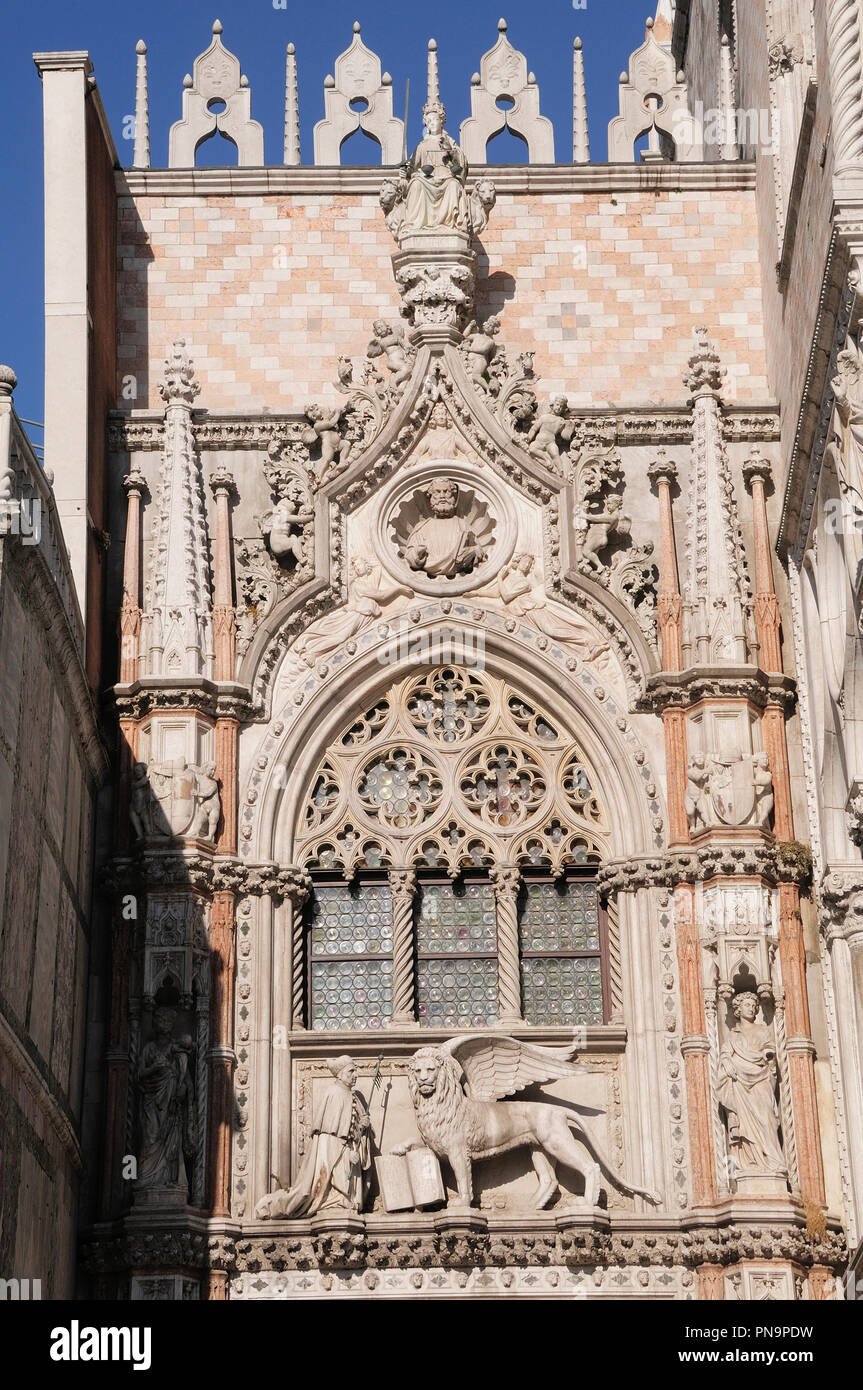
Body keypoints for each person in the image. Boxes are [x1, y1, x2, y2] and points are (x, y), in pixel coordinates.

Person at [256, 1056, 372, 1218]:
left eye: (355, 1071)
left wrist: (362, 1127)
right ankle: (331, 1200)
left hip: (347, 1151)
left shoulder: (354, 1098)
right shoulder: (333, 1094)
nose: (356, 1075)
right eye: (351, 1071)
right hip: (335, 1152)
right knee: (310, 1191)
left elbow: (352, 1132)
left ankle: (342, 1201)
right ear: (340, 1074)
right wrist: (347, 1154)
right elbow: (331, 1136)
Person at [718, 992, 786, 1174]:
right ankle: (750, 1162)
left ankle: (773, 1161)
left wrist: (768, 1055)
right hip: (740, 1082)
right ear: (738, 1009)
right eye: (747, 1005)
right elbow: (725, 1053)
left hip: (761, 1078)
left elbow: (769, 1048)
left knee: (767, 1118)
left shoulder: (762, 1030)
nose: (751, 1008)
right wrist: (727, 1063)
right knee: (744, 1124)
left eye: (753, 1005)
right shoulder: (733, 1034)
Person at [136, 1006, 196, 1198]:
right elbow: (138, 1075)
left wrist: (182, 1090)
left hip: (171, 1106)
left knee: (171, 1142)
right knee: (150, 1138)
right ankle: (144, 1181)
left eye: (166, 1021)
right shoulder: (149, 1048)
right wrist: (154, 1068)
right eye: (159, 1020)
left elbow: (187, 1081)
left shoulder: (176, 1051)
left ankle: (171, 1181)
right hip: (151, 1102)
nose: (163, 1024)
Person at [400, 101, 472, 236]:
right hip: (426, 180)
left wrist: (449, 151)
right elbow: (412, 167)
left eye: (435, 119)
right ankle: (414, 224)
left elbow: (460, 165)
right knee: (416, 184)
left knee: (453, 185)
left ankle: (450, 223)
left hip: (446, 178)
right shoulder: (421, 146)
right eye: (428, 121)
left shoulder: (450, 143)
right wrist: (405, 172)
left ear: (442, 121)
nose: (431, 123)